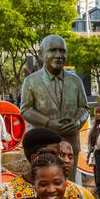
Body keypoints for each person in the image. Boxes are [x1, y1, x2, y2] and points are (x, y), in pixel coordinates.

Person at [20, 34, 90, 162]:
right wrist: (49, 123)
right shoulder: (30, 81)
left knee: (69, 182)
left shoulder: (76, 81)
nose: (58, 55)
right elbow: (25, 110)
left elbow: (84, 108)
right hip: (43, 144)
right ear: (41, 54)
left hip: (70, 144)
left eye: (62, 51)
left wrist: (77, 121)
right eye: (53, 50)